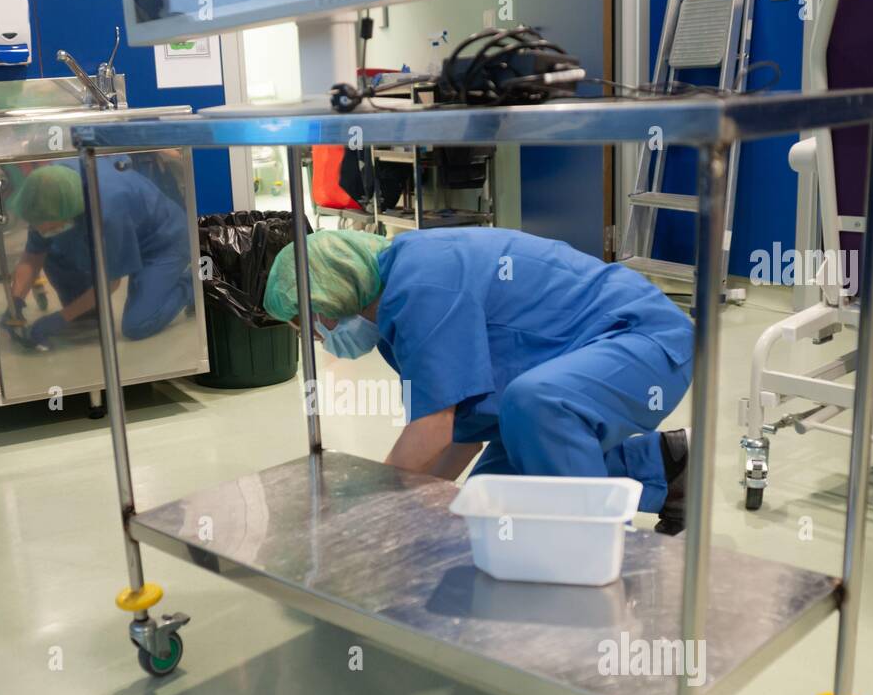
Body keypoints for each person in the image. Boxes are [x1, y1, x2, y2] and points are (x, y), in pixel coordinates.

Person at [263, 228, 695, 533]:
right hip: (593, 354)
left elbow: (431, 425)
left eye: (310, 326)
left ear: (330, 297)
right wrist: (418, 504)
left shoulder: (419, 286)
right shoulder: (398, 313)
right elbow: (460, 431)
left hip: (645, 340)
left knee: (537, 403)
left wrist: (369, 509)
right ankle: (667, 466)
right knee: (488, 507)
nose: (318, 339)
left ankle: (595, 544)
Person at [4, 162, 192, 348]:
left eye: (51, 227)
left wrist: (61, 317)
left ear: (68, 211)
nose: (44, 232)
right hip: (113, 224)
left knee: (138, 325)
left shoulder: (107, 211)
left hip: (162, 241)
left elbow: (110, 282)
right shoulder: (46, 195)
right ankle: (83, 309)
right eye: (40, 228)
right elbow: (33, 255)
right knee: (53, 248)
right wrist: (16, 302)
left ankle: (193, 283)